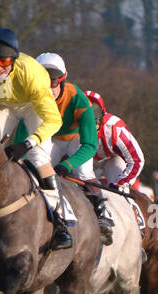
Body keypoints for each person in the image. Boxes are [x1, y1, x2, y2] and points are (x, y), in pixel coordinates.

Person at [0, 28, 72, 249]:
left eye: (3, 62)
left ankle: (61, 222)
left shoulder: (32, 75)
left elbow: (53, 121)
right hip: (2, 106)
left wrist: (28, 143)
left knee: (38, 157)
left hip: (32, 106)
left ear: (14, 59)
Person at [36, 52, 113, 243]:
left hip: (75, 139)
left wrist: (68, 165)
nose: (49, 88)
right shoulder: (32, 98)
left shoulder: (79, 100)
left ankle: (102, 215)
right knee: (36, 172)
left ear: (63, 80)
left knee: (84, 172)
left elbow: (90, 145)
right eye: (43, 82)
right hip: (49, 138)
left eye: (54, 82)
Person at [90, 91, 145, 192]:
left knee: (120, 191)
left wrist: (121, 183)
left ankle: (128, 201)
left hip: (111, 158)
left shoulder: (115, 128)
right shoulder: (69, 124)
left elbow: (137, 159)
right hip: (85, 159)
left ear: (102, 114)